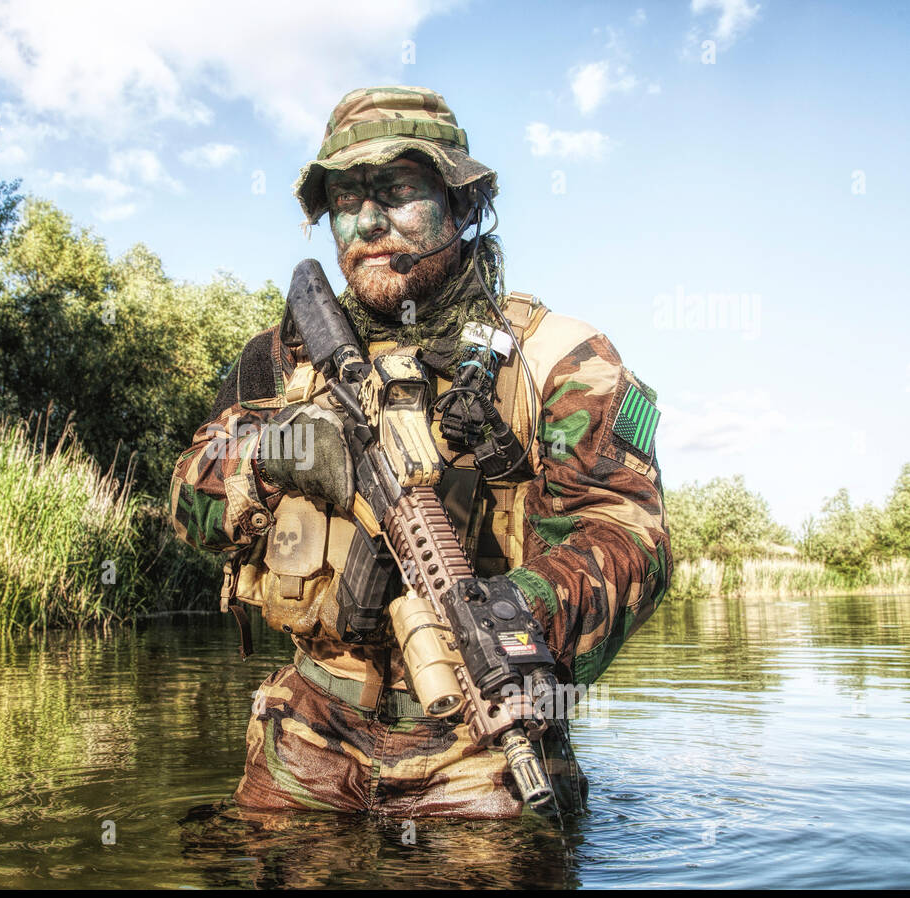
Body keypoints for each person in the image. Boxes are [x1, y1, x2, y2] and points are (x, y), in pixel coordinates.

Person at [169, 86, 670, 818]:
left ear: (462, 205)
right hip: (308, 731)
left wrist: (519, 611)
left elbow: (631, 538)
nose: (369, 221)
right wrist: (274, 452)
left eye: (399, 191)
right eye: (346, 198)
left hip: (485, 739)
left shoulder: (555, 360)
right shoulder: (274, 361)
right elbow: (186, 504)